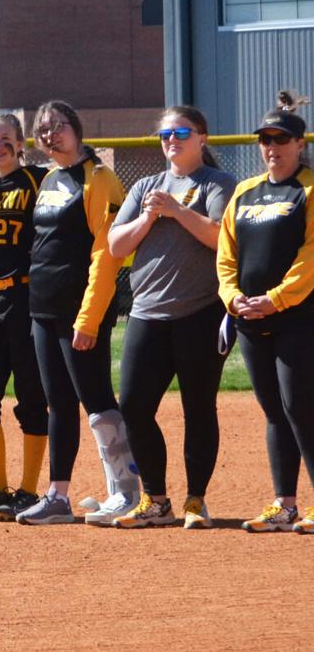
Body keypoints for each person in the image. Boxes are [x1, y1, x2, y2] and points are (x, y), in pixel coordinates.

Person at [108, 106, 235, 529]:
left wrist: (177, 211)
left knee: (199, 407)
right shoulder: (145, 186)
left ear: (202, 138)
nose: (172, 140)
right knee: (134, 406)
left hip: (199, 312)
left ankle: (196, 501)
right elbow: (115, 246)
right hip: (147, 312)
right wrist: (148, 214)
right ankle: (156, 500)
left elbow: (221, 237)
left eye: (181, 132)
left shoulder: (217, 183)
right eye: (165, 134)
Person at [14, 100, 139, 526]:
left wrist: (87, 318)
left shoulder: (99, 178)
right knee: (58, 404)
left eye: (58, 126)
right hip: (44, 310)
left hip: (79, 310)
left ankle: (125, 491)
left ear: (77, 129)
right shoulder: (49, 178)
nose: (50, 135)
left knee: (97, 400)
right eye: (43, 128)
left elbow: (106, 255)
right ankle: (58, 496)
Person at [217, 92, 314, 533]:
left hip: (298, 315)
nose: (272, 147)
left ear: (300, 144)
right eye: (266, 140)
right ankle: (285, 503)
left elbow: (311, 257)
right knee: (274, 411)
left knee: (301, 406)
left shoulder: (309, 189)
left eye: (281, 139)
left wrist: (275, 298)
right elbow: (226, 254)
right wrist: (232, 296)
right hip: (250, 319)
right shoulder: (244, 192)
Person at [0, 114, 52, 521]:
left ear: (21, 143)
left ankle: (29, 491)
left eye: (5, 139)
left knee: (32, 399)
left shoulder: (38, 179)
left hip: (24, 297)